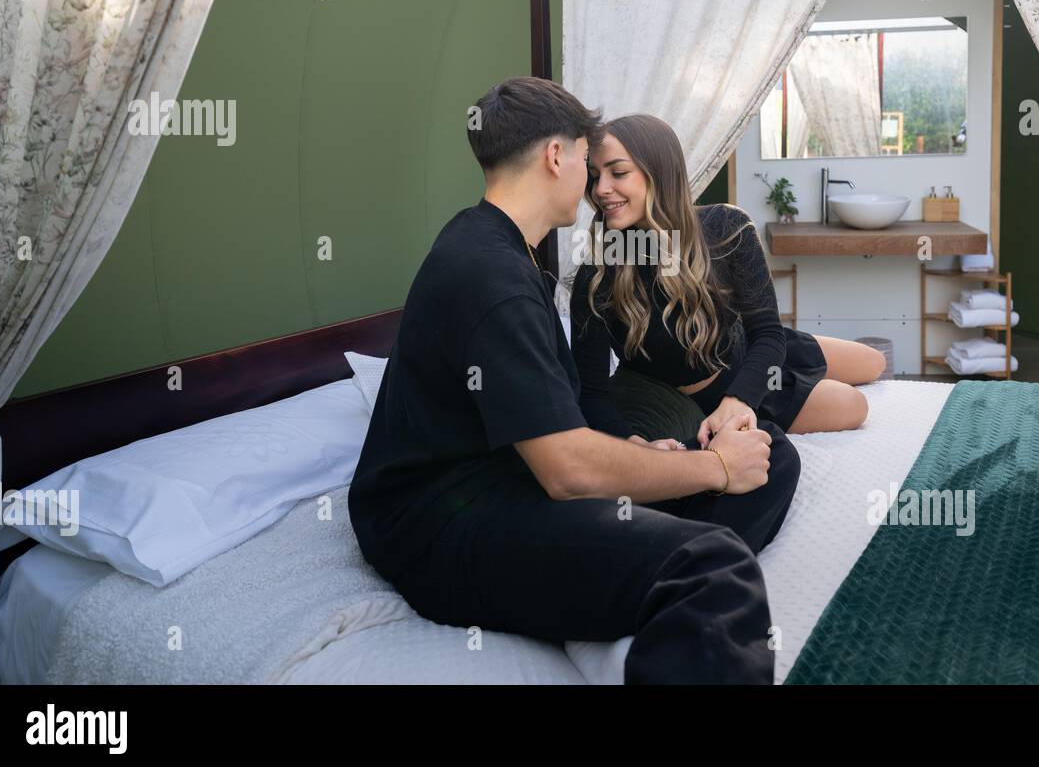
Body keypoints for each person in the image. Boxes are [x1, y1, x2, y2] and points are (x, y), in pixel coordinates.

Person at [348, 77, 800, 684]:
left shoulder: (500, 249)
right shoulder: (494, 279)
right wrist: (713, 470)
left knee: (773, 459)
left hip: (514, 476)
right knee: (712, 566)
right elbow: (569, 472)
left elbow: (559, 423)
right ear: (557, 156)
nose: (594, 185)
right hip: (441, 527)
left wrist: (644, 455)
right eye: (590, 163)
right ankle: (642, 583)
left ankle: (632, 570)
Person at [571, 114, 886, 449]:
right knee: (854, 406)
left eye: (618, 172)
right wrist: (635, 445)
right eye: (595, 176)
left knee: (874, 362)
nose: (601, 189)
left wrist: (743, 393)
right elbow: (591, 392)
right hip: (720, 387)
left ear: (659, 173)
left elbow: (767, 333)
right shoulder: (598, 273)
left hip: (751, 353)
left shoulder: (726, 227)